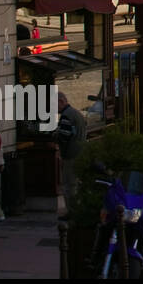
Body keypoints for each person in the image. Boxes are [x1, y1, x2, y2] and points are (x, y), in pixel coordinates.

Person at [56, 91, 86, 219]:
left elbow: (63, 136)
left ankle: (72, 212)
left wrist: (53, 136)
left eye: (55, 104)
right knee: (75, 184)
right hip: (80, 152)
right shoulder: (76, 113)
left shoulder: (66, 116)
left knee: (69, 185)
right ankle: (76, 210)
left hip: (71, 154)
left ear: (61, 101)